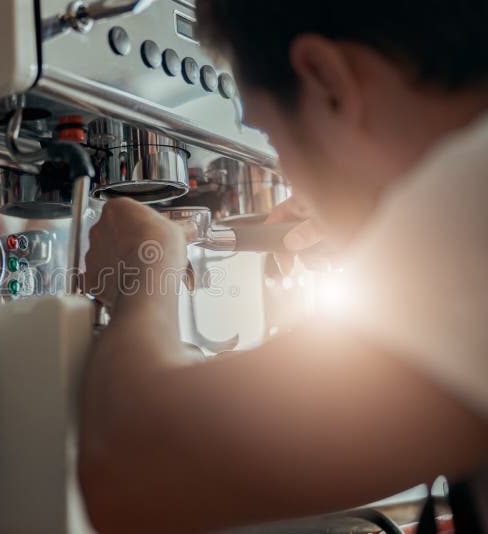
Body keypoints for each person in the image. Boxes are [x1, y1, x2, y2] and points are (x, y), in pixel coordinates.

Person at [77, 1, 488, 532]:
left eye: (274, 139)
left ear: (326, 81)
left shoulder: (470, 200)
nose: (289, 174)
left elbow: (129, 471)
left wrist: (147, 268)